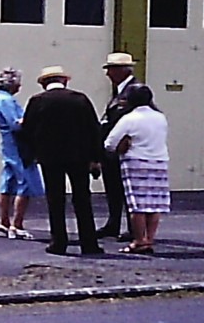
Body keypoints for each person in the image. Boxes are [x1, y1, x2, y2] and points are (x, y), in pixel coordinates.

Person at [18, 65, 105, 256]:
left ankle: (59, 242)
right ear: (64, 81)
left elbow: (27, 131)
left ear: (43, 84)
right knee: (82, 198)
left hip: (50, 157)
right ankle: (89, 243)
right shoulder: (80, 99)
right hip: (79, 156)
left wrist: (30, 154)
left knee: (55, 199)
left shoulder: (37, 101)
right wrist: (96, 158)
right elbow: (94, 129)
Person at [104, 85, 170, 255]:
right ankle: (149, 239)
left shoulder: (129, 118)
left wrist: (123, 145)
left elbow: (109, 143)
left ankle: (139, 241)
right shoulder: (160, 117)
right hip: (159, 161)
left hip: (136, 162)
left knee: (137, 206)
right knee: (154, 204)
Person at [97, 52, 152, 242]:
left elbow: (143, 115)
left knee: (127, 189)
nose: (108, 74)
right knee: (113, 188)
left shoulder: (134, 90)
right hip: (112, 149)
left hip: (125, 150)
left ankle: (132, 228)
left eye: (110, 69)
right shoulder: (119, 90)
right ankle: (113, 223)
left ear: (122, 70)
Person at [0, 67, 43, 240]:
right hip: (18, 145)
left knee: (7, 181)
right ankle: (17, 224)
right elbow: (16, 124)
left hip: (8, 144)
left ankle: (3, 223)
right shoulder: (7, 101)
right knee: (25, 182)